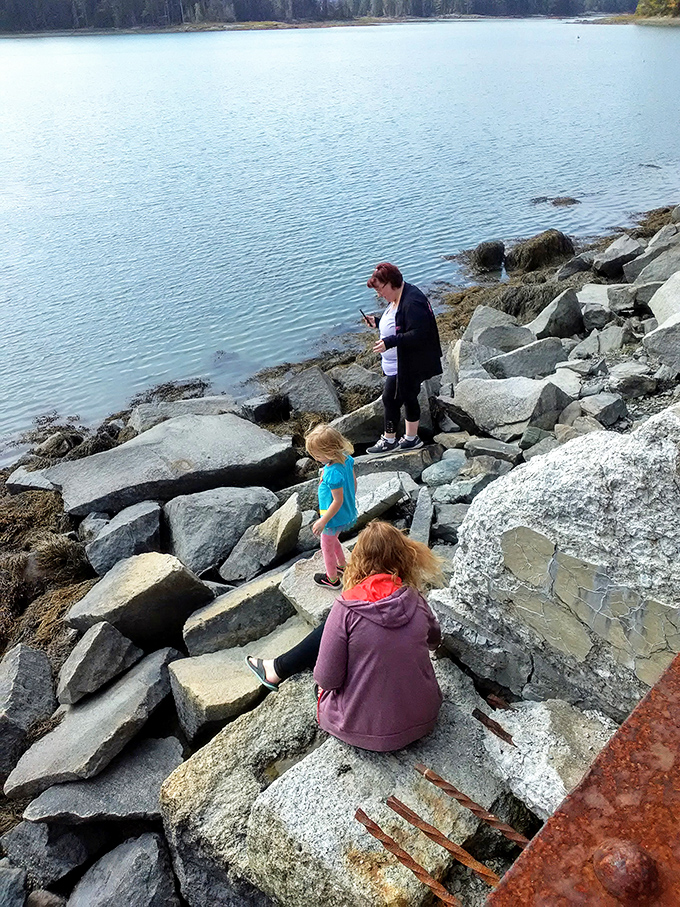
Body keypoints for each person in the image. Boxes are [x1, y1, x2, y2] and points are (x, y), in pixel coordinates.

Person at [245, 521, 443, 753]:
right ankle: (276, 668)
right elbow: (434, 641)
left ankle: (276, 669)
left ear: (360, 559)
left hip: (367, 733)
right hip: (425, 717)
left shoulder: (346, 607)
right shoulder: (415, 599)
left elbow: (327, 680)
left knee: (333, 642)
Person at [363, 262, 442, 454]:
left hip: (409, 362)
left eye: (380, 289)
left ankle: (390, 439)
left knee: (390, 399)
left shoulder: (412, 301)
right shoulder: (399, 296)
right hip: (400, 362)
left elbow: (420, 333)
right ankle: (410, 438)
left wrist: (389, 342)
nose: (379, 295)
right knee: (407, 396)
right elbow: (400, 323)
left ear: (391, 283)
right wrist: (379, 322)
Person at [305, 424, 357, 590]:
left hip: (333, 517)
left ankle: (332, 579)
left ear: (329, 452)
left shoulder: (331, 473)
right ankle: (342, 565)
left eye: (318, 455)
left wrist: (323, 521)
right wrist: (351, 498)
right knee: (334, 540)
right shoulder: (346, 459)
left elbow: (337, 501)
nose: (315, 458)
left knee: (326, 546)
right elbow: (354, 483)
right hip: (345, 513)